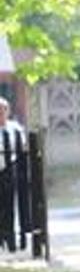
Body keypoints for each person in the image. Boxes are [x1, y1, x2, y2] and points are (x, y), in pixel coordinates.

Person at [0, 96, 22, 252]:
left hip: (9, 171)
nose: (1, 114)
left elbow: (22, 147)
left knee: (10, 206)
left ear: (8, 112)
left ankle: (11, 239)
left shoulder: (15, 129)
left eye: (3, 111)